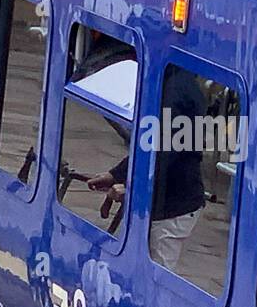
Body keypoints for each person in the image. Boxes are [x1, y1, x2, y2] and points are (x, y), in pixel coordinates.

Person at [87, 68, 207, 270]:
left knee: (155, 275)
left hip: (172, 205)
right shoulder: (171, 81)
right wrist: (116, 174)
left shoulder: (176, 91)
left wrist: (132, 186)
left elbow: (164, 151)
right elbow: (150, 146)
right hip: (165, 199)